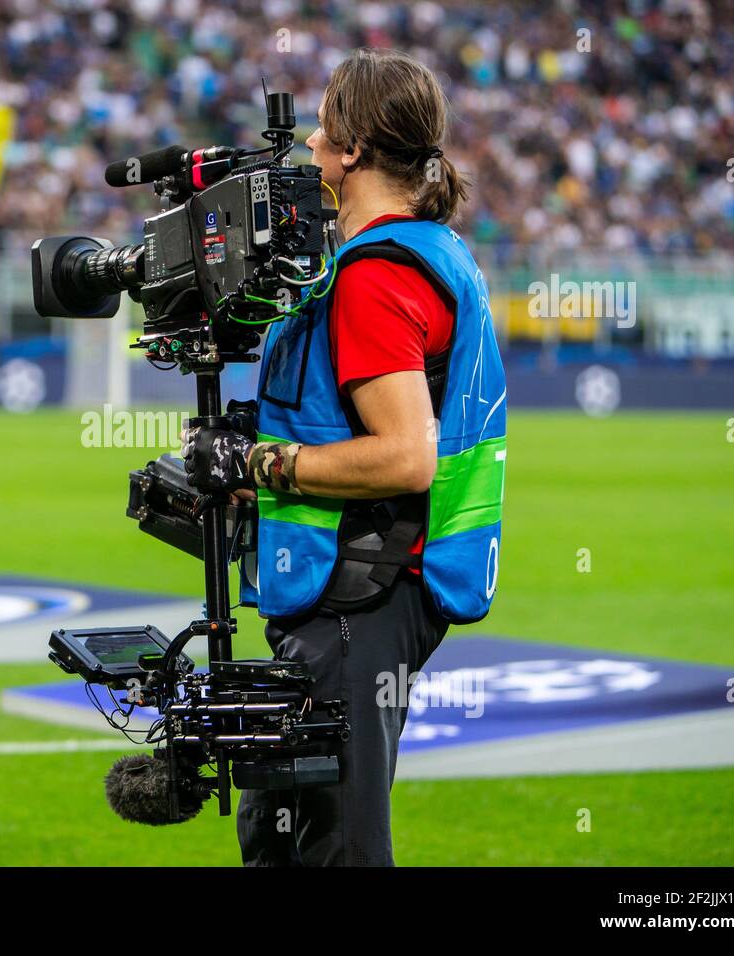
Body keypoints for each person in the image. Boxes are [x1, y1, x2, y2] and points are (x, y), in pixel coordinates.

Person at [182, 48, 508, 866]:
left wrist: (255, 465)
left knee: (336, 846)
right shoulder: (432, 250)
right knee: (285, 829)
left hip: (360, 589)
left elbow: (404, 457)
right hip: (371, 585)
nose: (312, 141)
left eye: (326, 122)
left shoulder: (372, 276)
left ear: (355, 147)